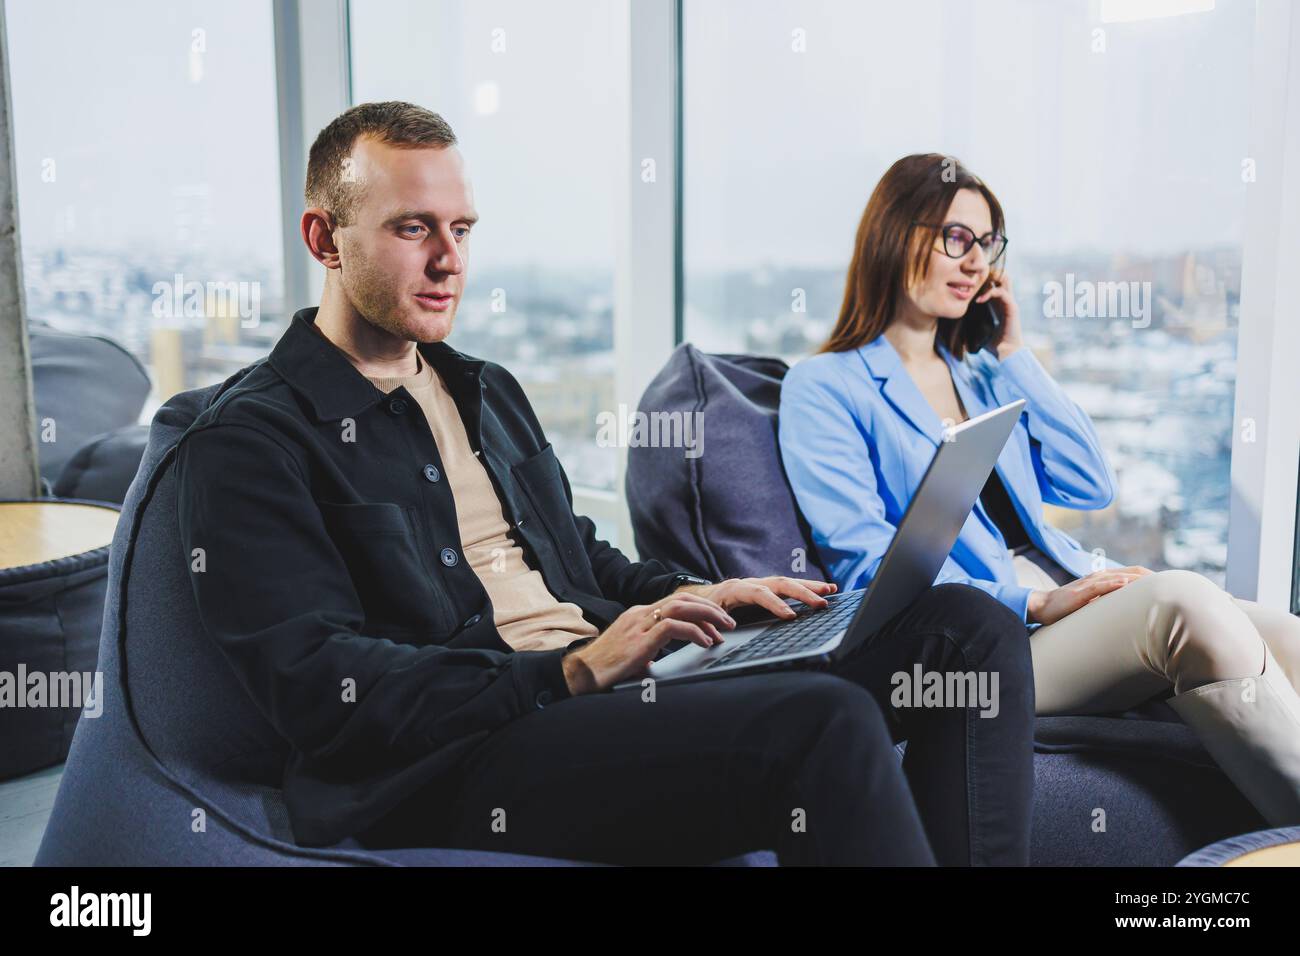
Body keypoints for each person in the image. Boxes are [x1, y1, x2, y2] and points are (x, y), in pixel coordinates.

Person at [174, 105, 1035, 865]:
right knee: (825, 725)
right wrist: (574, 672)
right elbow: (321, 688)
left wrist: (704, 597)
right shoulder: (251, 441)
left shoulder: (484, 390)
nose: (448, 260)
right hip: (461, 757)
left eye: (462, 229)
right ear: (324, 239)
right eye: (412, 229)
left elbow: (578, 559)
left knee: (969, 629)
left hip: (600, 694)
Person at [779, 152, 1300, 826]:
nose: (975, 262)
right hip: (998, 638)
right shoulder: (825, 389)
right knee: (1186, 604)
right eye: (956, 239)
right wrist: (1037, 602)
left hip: (1075, 594)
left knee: (1285, 634)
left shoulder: (979, 374)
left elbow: (1090, 482)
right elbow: (870, 575)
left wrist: (1013, 354)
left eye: (987, 243)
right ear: (895, 235)